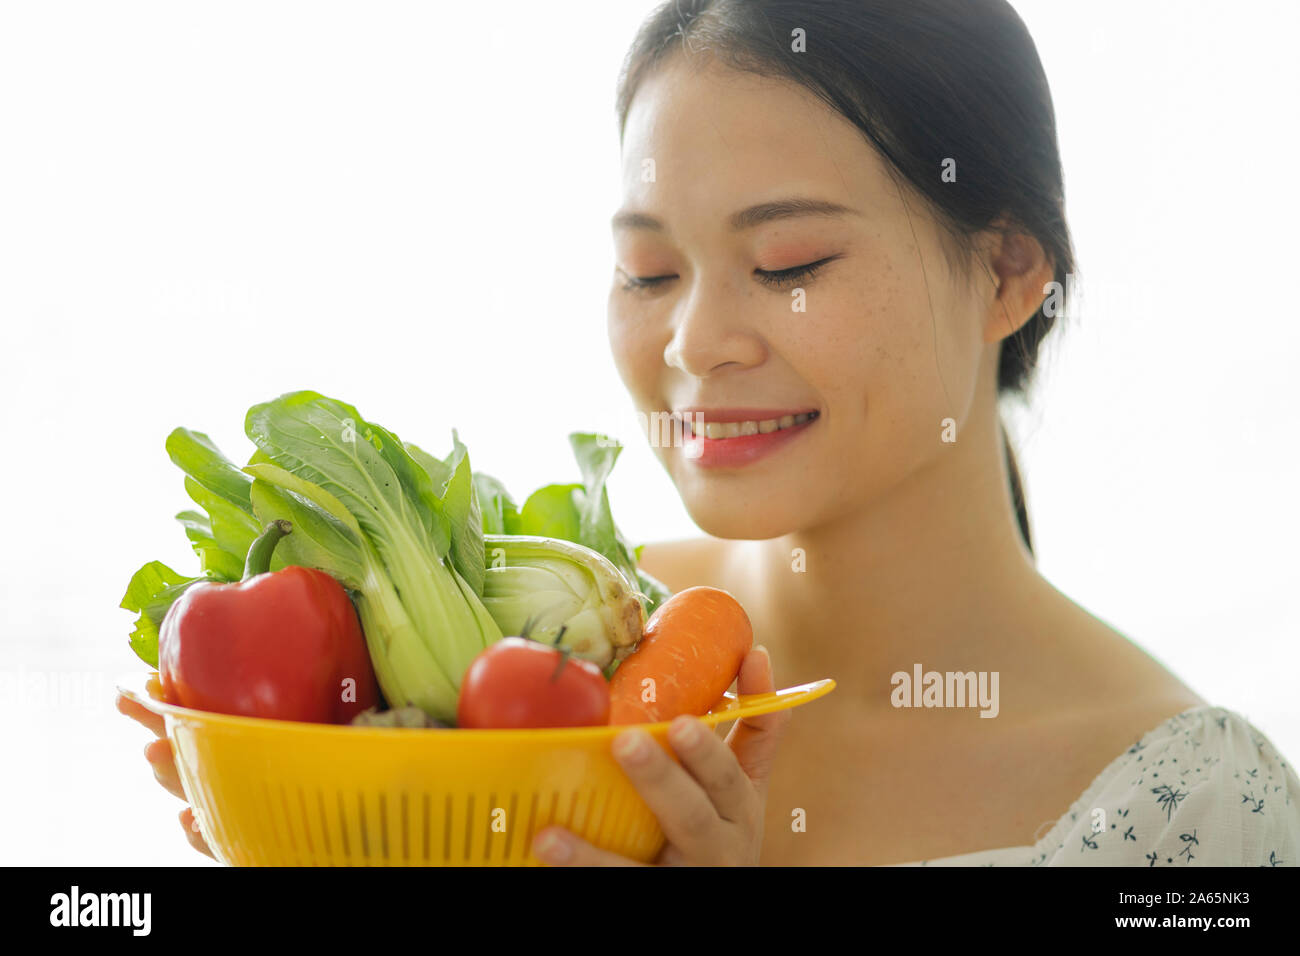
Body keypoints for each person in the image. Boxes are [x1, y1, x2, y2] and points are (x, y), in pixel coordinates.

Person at [119, 0, 1300, 866]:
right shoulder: (538, 668)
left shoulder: (1197, 814)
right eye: (647, 270)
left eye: (787, 262)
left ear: (1005, 270)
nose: (693, 341)